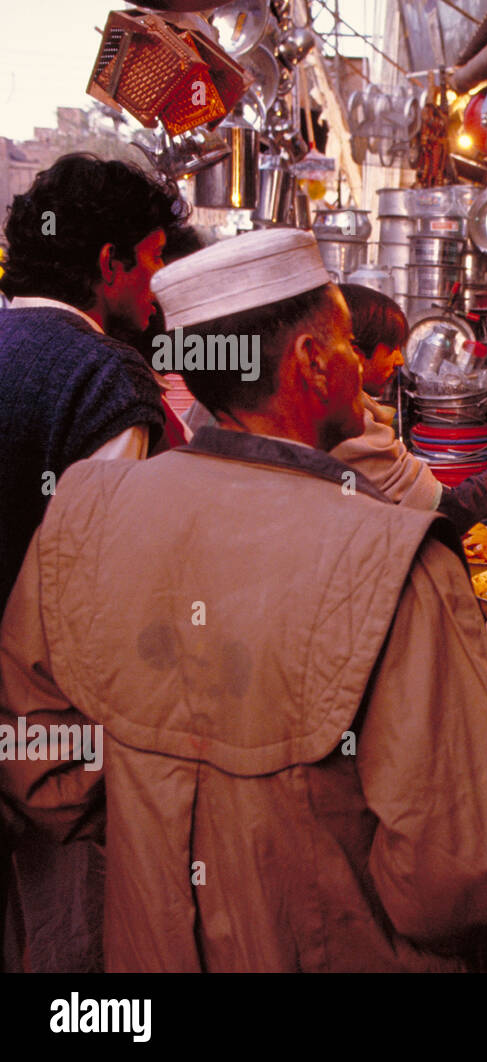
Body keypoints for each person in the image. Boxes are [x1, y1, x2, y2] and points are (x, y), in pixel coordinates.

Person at [0, 229, 487, 971]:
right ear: (312, 363)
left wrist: (163, 811)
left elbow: (40, 766)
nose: (360, 365)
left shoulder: (86, 507)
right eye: (346, 341)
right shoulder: (394, 558)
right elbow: (452, 880)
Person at [0, 152, 185, 973]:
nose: (154, 289)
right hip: (44, 731)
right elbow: (100, 599)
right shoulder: (107, 379)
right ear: (109, 265)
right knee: (71, 939)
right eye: (148, 262)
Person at [331, 283, 487, 534]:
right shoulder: (351, 429)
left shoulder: (351, 414)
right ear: (355, 355)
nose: (400, 360)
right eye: (391, 348)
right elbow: (449, 510)